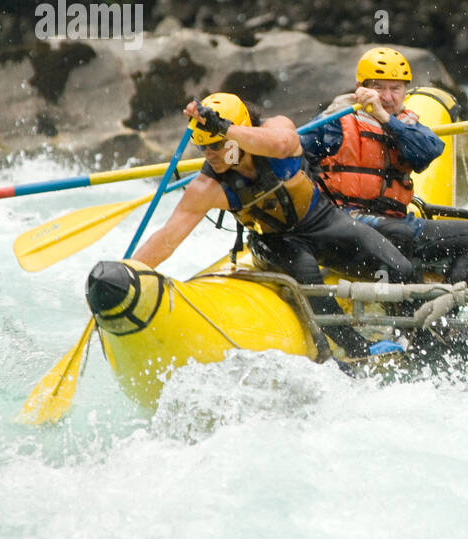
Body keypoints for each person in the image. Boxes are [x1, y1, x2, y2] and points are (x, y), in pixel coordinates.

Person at [131, 92, 415, 355]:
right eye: (204, 148)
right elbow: (167, 238)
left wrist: (225, 129)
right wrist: (128, 275)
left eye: (217, 146)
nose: (210, 156)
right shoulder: (206, 187)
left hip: (321, 220)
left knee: (399, 268)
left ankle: (412, 338)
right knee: (306, 272)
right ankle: (357, 349)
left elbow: (282, 144)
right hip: (274, 240)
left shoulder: (277, 130)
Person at [305, 47, 468, 284]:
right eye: (378, 88)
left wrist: (385, 119)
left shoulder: (407, 125)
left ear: (405, 91)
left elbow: (428, 150)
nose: (387, 97)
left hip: (396, 221)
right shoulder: (334, 122)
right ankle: (407, 312)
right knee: (399, 235)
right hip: (345, 222)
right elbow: (293, 152)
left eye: (395, 89)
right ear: (360, 88)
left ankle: (447, 308)